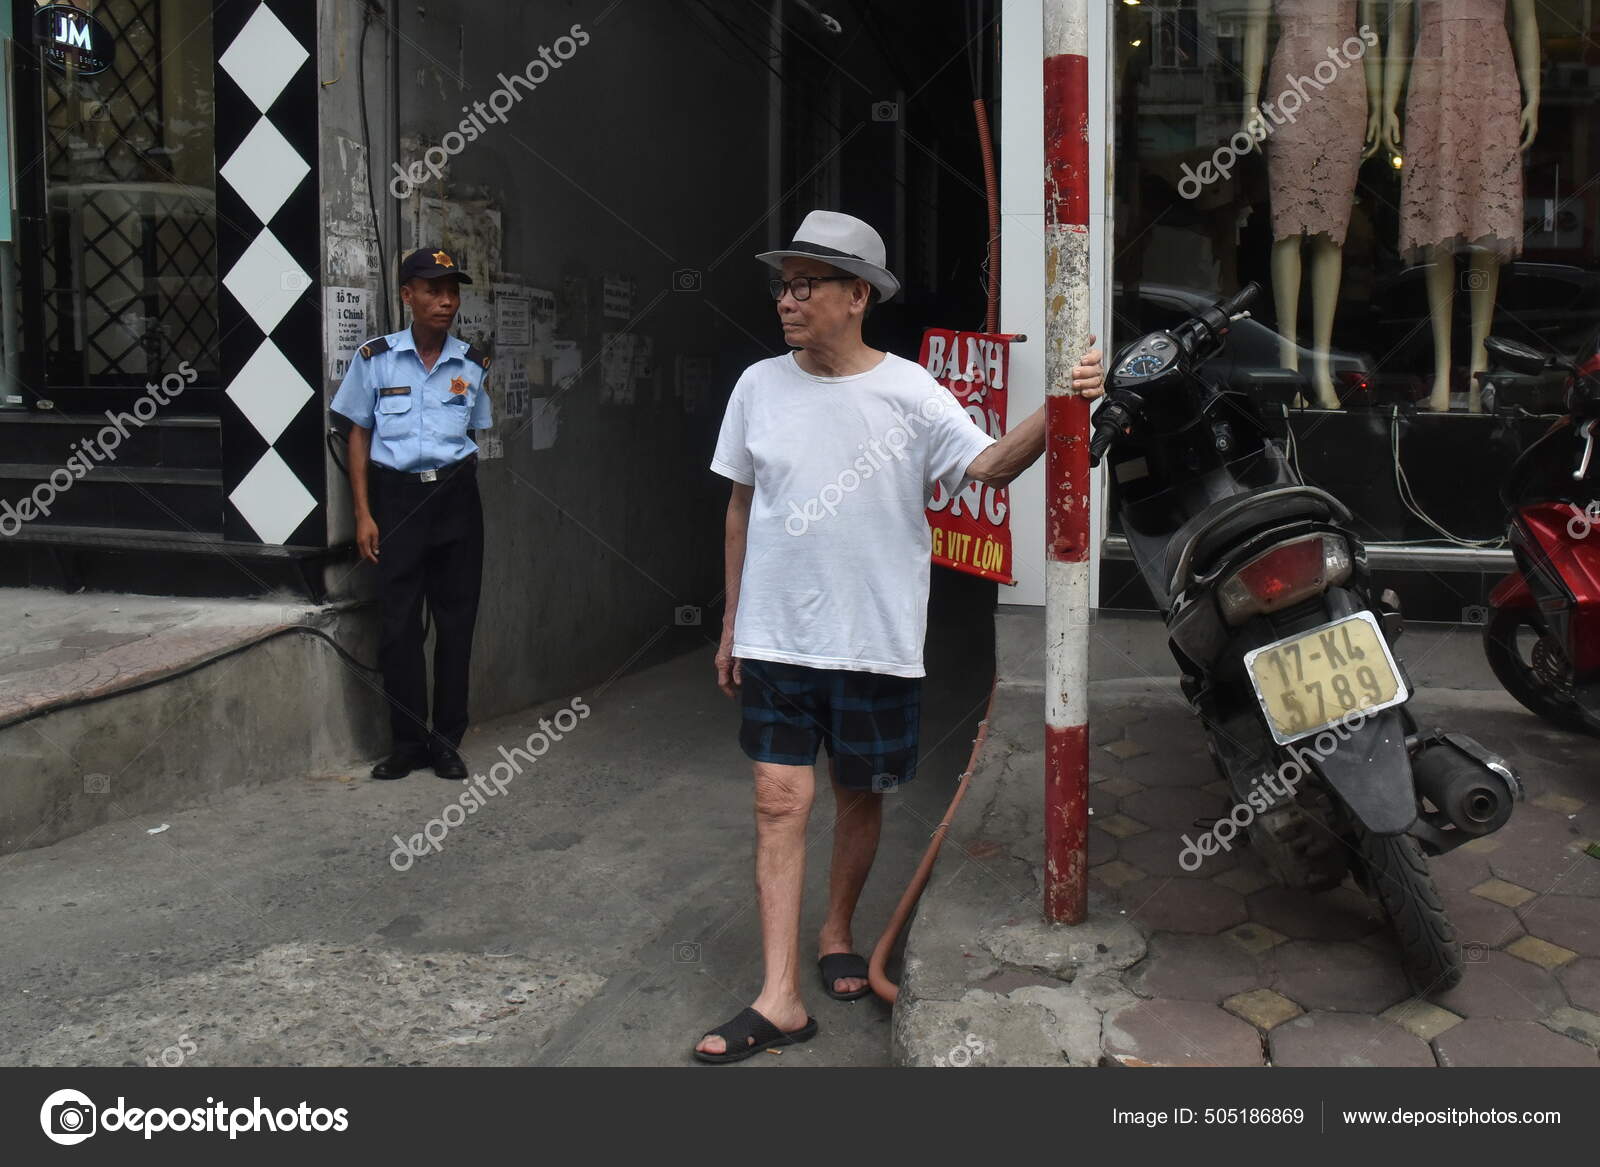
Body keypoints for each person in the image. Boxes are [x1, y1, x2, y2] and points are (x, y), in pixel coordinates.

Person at [693, 210, 1104, 1062]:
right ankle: (778, 998)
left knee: (858, 794)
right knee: (779, 799)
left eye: (808, 284)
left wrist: (1064, 398)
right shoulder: (758, 387)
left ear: (856, 296)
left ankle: (837, 926)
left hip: (873, 639)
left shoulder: (912, 393)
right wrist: (733, 619)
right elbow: (739, 506)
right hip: (777, 637)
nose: (788, 299)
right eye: (784, 283)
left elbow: (989, 467)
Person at [330, 247, 492, 782]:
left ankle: (446, 742)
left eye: (452, 291)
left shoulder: (471, 363)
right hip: (396, 501)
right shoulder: (375, 358)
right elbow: (358, 432)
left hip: (455, 501)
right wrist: (363, 513)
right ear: (408, 296)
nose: (446, 301)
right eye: (433, 290)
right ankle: (406, 743)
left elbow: (473, 433)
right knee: (399, 627)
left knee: (456, 626)